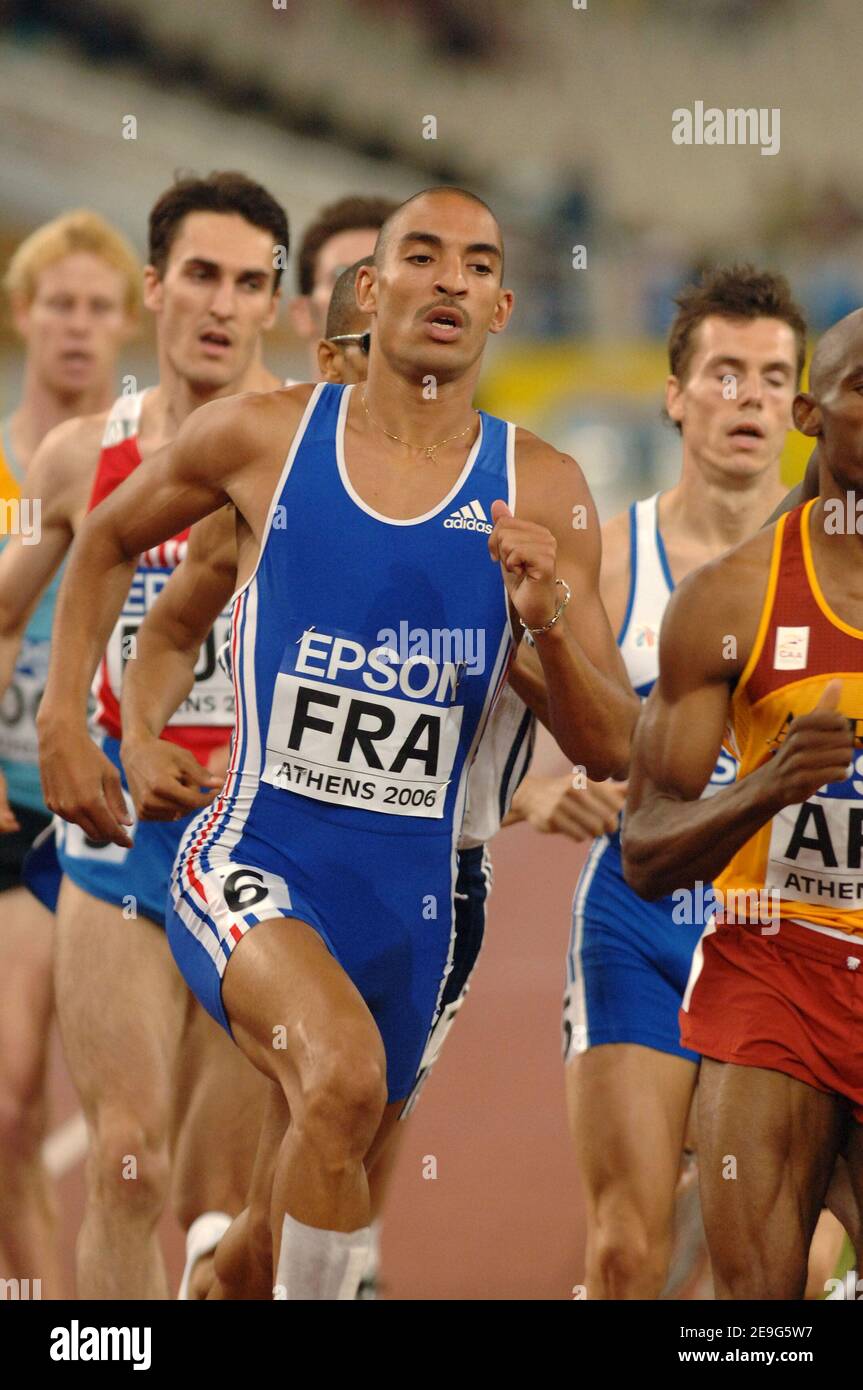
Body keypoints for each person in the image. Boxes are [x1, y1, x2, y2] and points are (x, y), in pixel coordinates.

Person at [37, 186, 638, 1300]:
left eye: (474, 265)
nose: (447, 279)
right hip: (256, 854)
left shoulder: (542, 489)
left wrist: (547, 610)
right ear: (372, 284)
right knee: (338, 1081)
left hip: (421, 905)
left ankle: (222, 1279)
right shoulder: (266, 437)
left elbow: (609, 742)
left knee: (287, 1213)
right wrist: (78, 722)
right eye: (422, 255)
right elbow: (111, 539)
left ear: (502, 305)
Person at [0, 170, 289, 1298]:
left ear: (273, 304)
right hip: (114, 843)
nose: (222, 305)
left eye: (250, 284)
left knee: (222, 1212)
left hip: (252, 852)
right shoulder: (78, 454)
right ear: (156, 286)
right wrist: (60, 724)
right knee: (125, 1164)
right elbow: (13, 604)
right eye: (202, 276)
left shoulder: (307, 450)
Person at [563, 265, 807, 1298]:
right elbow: (526, 725)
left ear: (799, 405)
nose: (744, 398)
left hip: (785, 928)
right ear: (673, 394)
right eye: (721, 373)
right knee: (628, 1246)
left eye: (768, 378)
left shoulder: (830, 572)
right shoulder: (613, 561)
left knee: (749, 1257)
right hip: (640, 920)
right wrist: (535, 798)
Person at [621, 307, 863, 1299]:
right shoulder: (732, 599)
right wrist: (765, 784)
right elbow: (643, 845)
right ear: (811, 411)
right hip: (778, 967)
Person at [0, 210, 140, 1297]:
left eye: (100, 306)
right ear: (23, 316)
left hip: (129, 817)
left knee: (135, 1128)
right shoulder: (6, 465)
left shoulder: (153, 459)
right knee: (8, 1099)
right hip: (12, 814)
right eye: (61, 305)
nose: (80, 327)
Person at [289, 195, 397, 378]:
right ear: (304, 314)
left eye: (384, 276)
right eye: (343, 276)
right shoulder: (257, 406)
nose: (366, 291)